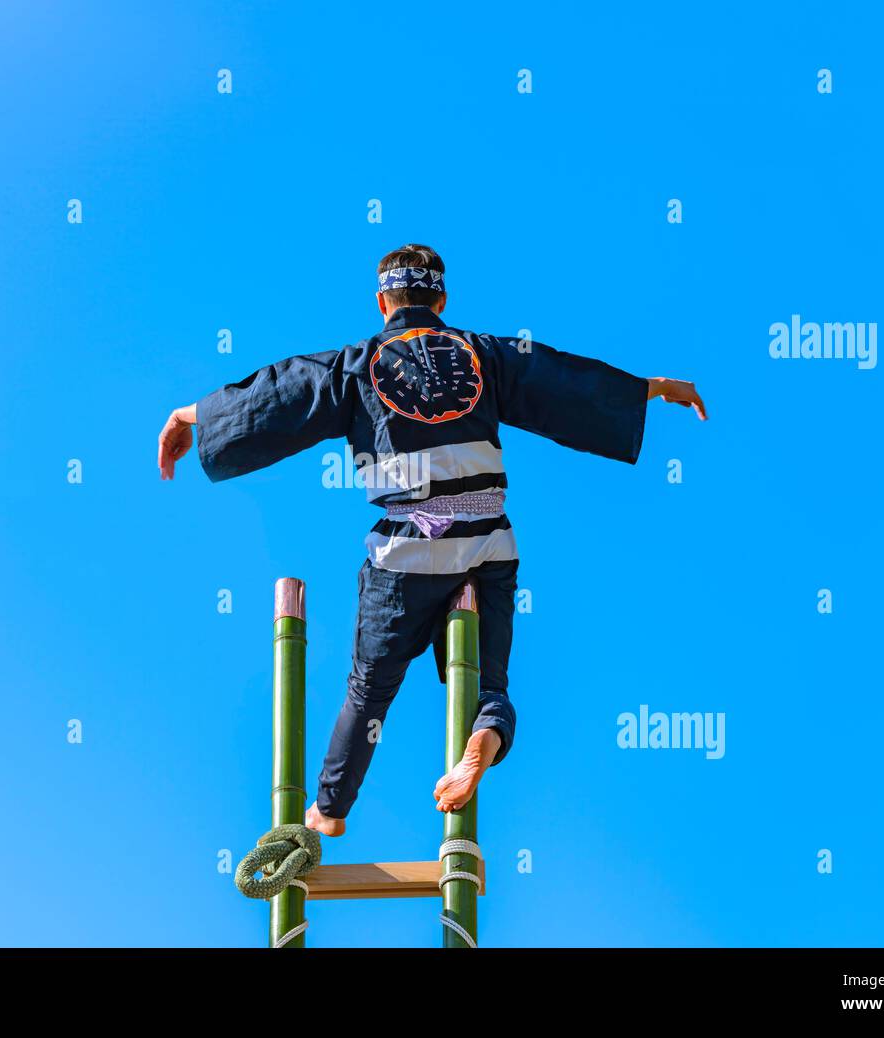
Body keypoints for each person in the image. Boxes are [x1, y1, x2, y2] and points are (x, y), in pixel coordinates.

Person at [158, 244, 706, 837]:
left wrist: (190, 416)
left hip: (410, 548)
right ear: (441, 300)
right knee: (487, 685)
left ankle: (331, 811)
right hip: (489, 542)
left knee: (369, 690)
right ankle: (482, 740)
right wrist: (651, 388)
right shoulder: (486, 354)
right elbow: (559, 375)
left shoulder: (355, 365)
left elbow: (279, 393)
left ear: (382, 302)